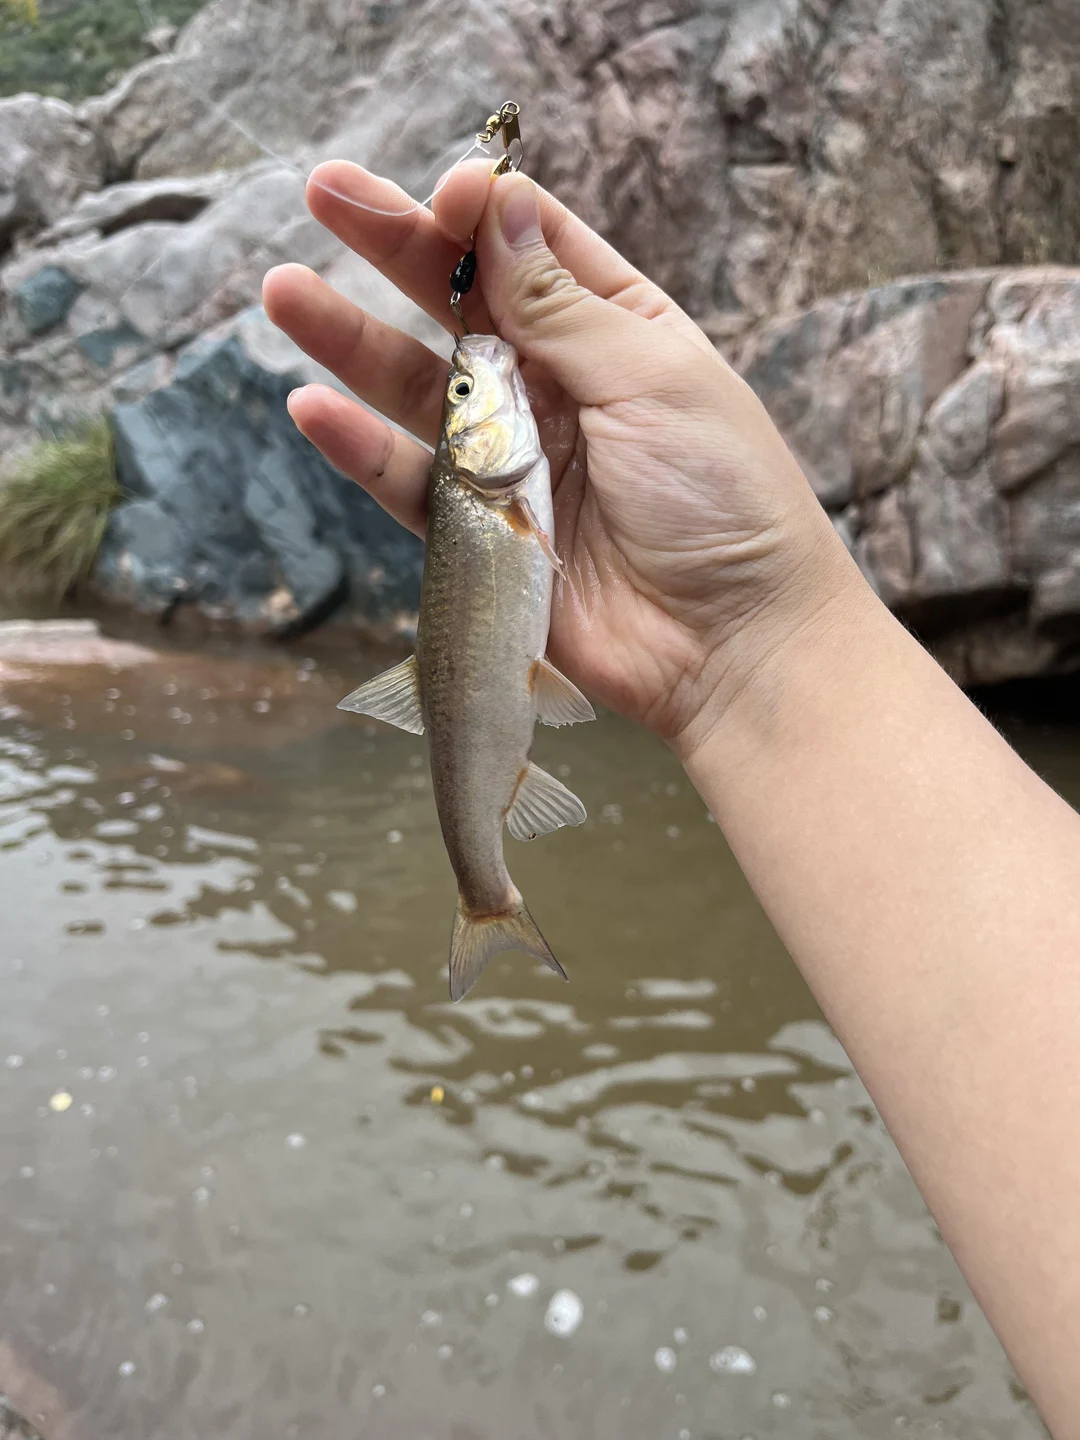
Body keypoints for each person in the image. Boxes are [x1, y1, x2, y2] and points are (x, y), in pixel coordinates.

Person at [263, 162, 1080, 1438]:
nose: (487, 393)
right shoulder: (508, 483)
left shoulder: (502, 478)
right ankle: (490, 895)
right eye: (475, 395)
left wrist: (755, 631)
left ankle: (491, 897)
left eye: (473, 392)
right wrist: (761, 645)